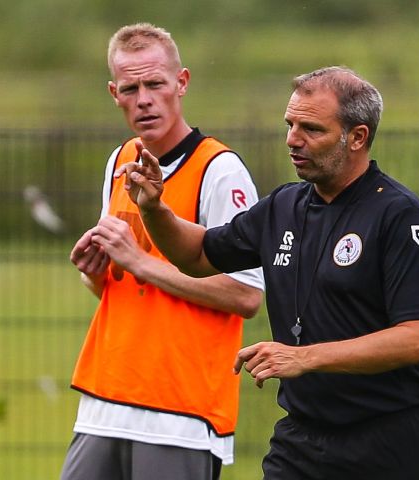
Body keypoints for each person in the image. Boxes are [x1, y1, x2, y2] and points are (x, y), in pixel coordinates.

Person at [107, 66, 419, 479]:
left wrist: (304, 357)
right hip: (302, 442)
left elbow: (416, 340)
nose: (292, 140)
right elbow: (195, 255)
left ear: (357, 137)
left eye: (311, 129)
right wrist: (154, 208)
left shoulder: (396, 214)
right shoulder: (283, 206)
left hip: (388, 443)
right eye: (290, 125)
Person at [62, 23, 265, 480]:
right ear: (114, 93)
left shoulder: (220, 170)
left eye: (155, 83)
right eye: (131, 88)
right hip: (103, 401)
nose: (144, 99)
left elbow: (246, 295)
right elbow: (127, 291)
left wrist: (139, 262)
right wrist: (96, 271)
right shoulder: (120, 160)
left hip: (179, 414)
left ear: (182, 82)